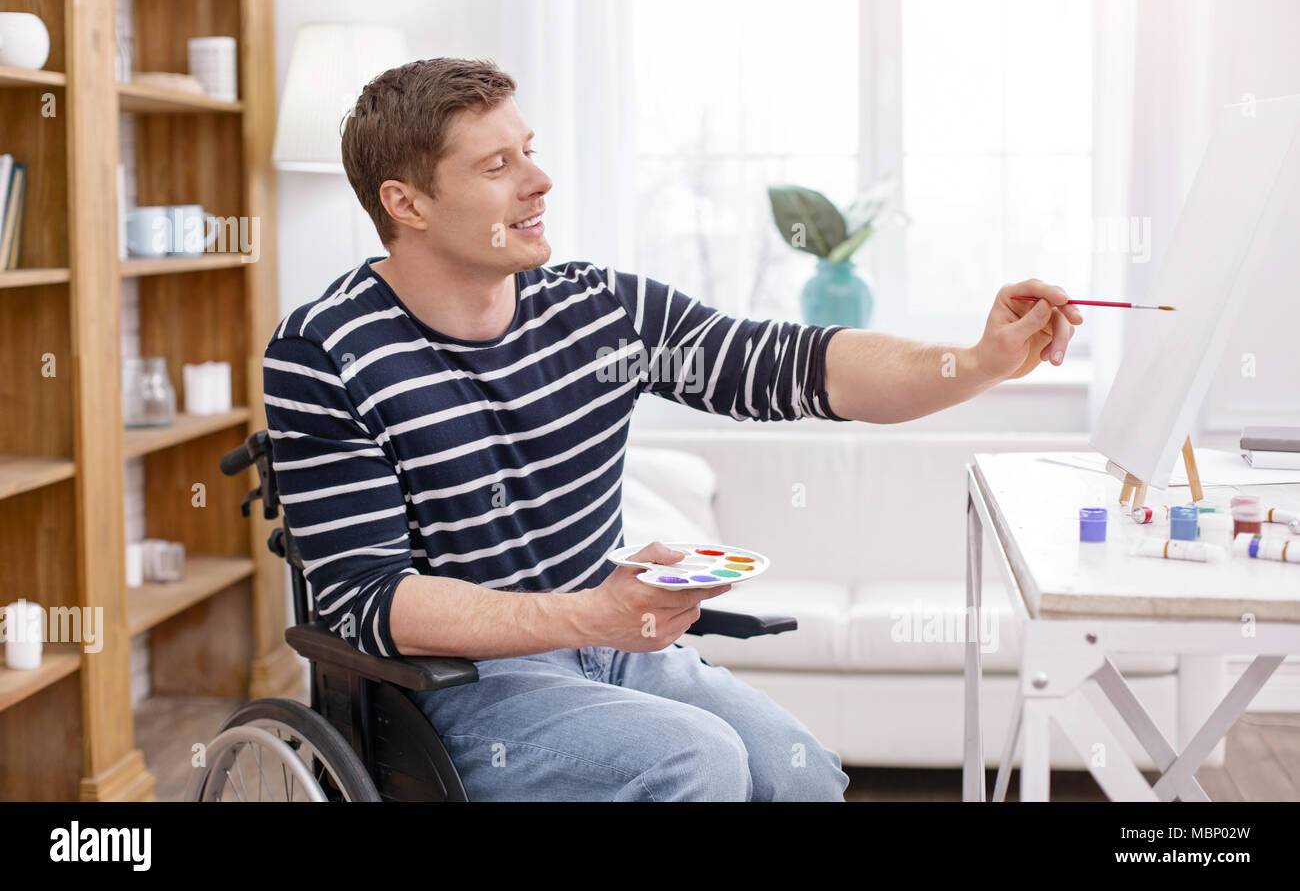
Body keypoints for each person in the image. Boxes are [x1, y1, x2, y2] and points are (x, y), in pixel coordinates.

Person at [262, 57, 1083, 801]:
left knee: (795, 767)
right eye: (497, 164)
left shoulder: (597, 311)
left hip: (614, 652)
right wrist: (592, 614)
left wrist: (976, 362)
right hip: (456, 688)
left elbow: (797, 365)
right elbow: (370, 601)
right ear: (406, 203)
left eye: (531, 149)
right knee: (694, 760)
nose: (539, 181)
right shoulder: (325, 354)